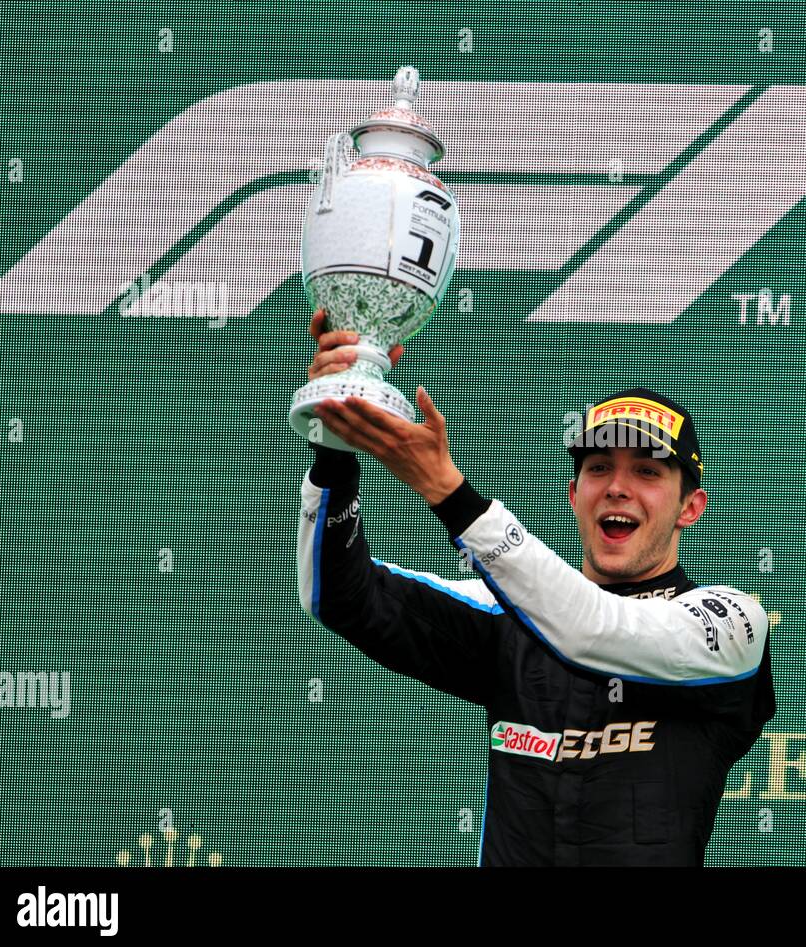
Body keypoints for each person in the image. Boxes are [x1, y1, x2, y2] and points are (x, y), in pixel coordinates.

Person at [296, 309, 776, 865]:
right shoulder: (506, 615)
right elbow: (338, 594)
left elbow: (595, 631)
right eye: (599, 468)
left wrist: (448, 490)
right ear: (574, 493)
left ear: (690, 507)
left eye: (647, 472)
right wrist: (334, 448)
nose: (617, 488)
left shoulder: (727, 622)